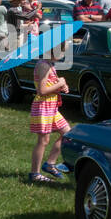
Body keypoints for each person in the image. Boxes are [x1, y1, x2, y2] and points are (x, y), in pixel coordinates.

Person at [27, 53, 72, 183]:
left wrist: (62, 85)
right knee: (43, 140)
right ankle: (35, 174)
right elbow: (42, 90)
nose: (63, 54)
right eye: (62, 51)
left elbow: (50, 84)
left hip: (52, 107)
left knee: (68, 133)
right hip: (43, 106)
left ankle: (50, 163)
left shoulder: (49, 65)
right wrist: (60, 83)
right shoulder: (43, 65)